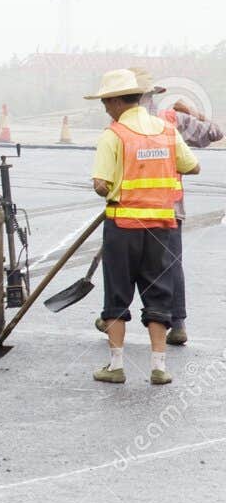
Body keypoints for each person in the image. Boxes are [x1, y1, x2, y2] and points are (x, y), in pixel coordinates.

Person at [86, 68, 200, 386]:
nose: (105, 108)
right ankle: (159, 368)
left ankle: (116, 366)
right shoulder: (166, 131)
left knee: (117, 294)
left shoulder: (114, 134)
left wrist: (112, 188)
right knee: (159, 295)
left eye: (106, 102)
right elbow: (193, 166)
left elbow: (100, 183)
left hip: (123, 225)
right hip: (162, 226)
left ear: (117, 101)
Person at [133, 69, 221, 346]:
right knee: (170, 265)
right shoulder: (173, 120)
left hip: (130, 210)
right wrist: (195, 112)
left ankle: (115, 316)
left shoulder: (120, 128)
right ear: (151, 97)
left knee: (128, 265)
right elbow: (215, 133)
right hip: (169, 208)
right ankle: (177, 322)